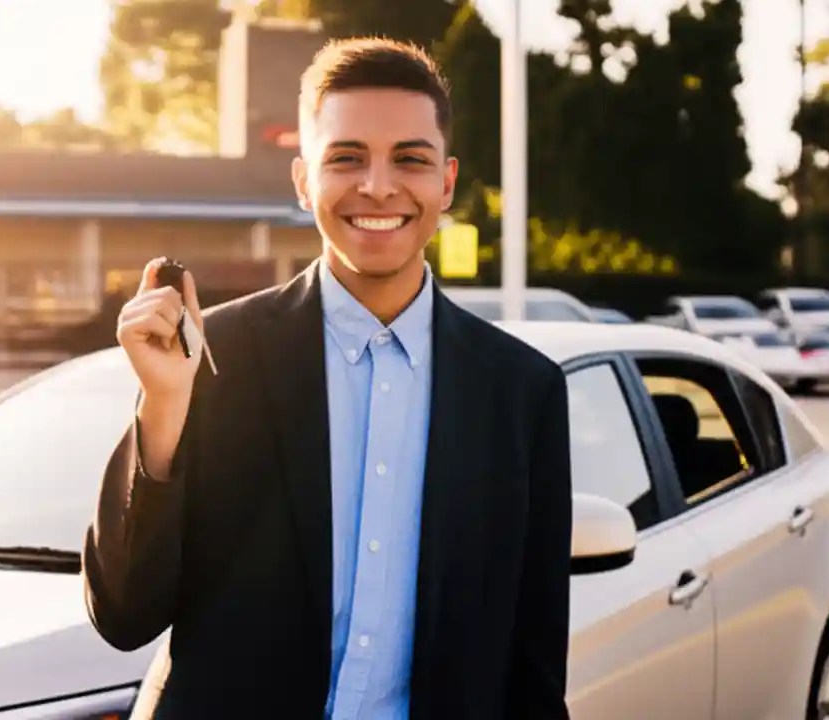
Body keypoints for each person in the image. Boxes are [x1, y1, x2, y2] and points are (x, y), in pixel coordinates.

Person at [83, 36, 572, 720]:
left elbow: (533, 671)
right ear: (303, 180)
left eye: (410, 159)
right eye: (346, 158)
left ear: (447, 182)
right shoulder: (210, 355)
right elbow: (123, 614)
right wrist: (164, 406)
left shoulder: (524, 393)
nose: (378, 186)